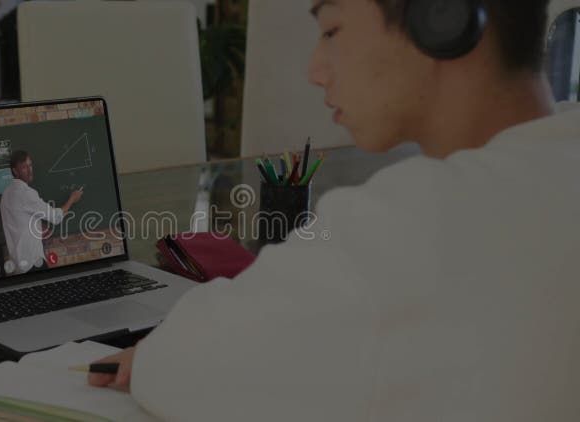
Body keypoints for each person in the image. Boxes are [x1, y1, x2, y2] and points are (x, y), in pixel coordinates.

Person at [86, 0, 580, 420]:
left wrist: (150, 361)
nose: (314, 70)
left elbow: (184, 361)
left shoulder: (411, 222)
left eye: (332, 30)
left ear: (442, 16)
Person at [1, 150, 83, 273]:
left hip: (17, 265)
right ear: (15, 171)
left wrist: (38, 225)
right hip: (32, 263)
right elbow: (55, 217)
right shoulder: (26, 193)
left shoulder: (6, 194)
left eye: (30, 165)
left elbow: (19, 220)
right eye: (24, 167)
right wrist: (72, 199)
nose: (29, 170)